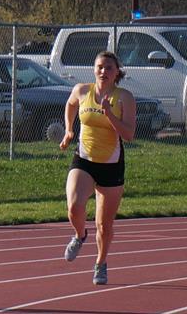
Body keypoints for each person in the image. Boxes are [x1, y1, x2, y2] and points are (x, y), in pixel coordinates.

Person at [58, 51, 135, 284]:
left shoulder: (124, 97)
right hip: (84, 159)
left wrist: (109, 113)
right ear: (94, 69)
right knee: (74, 206)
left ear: (117, 73)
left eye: (109, 68)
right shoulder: (82, 91)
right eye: (100, 67)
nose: (104, 71)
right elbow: (70, 105)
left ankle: (100, 263)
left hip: (111, 165)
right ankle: (80, 235)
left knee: (104, 224)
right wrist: (69, 129)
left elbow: (129, 135)